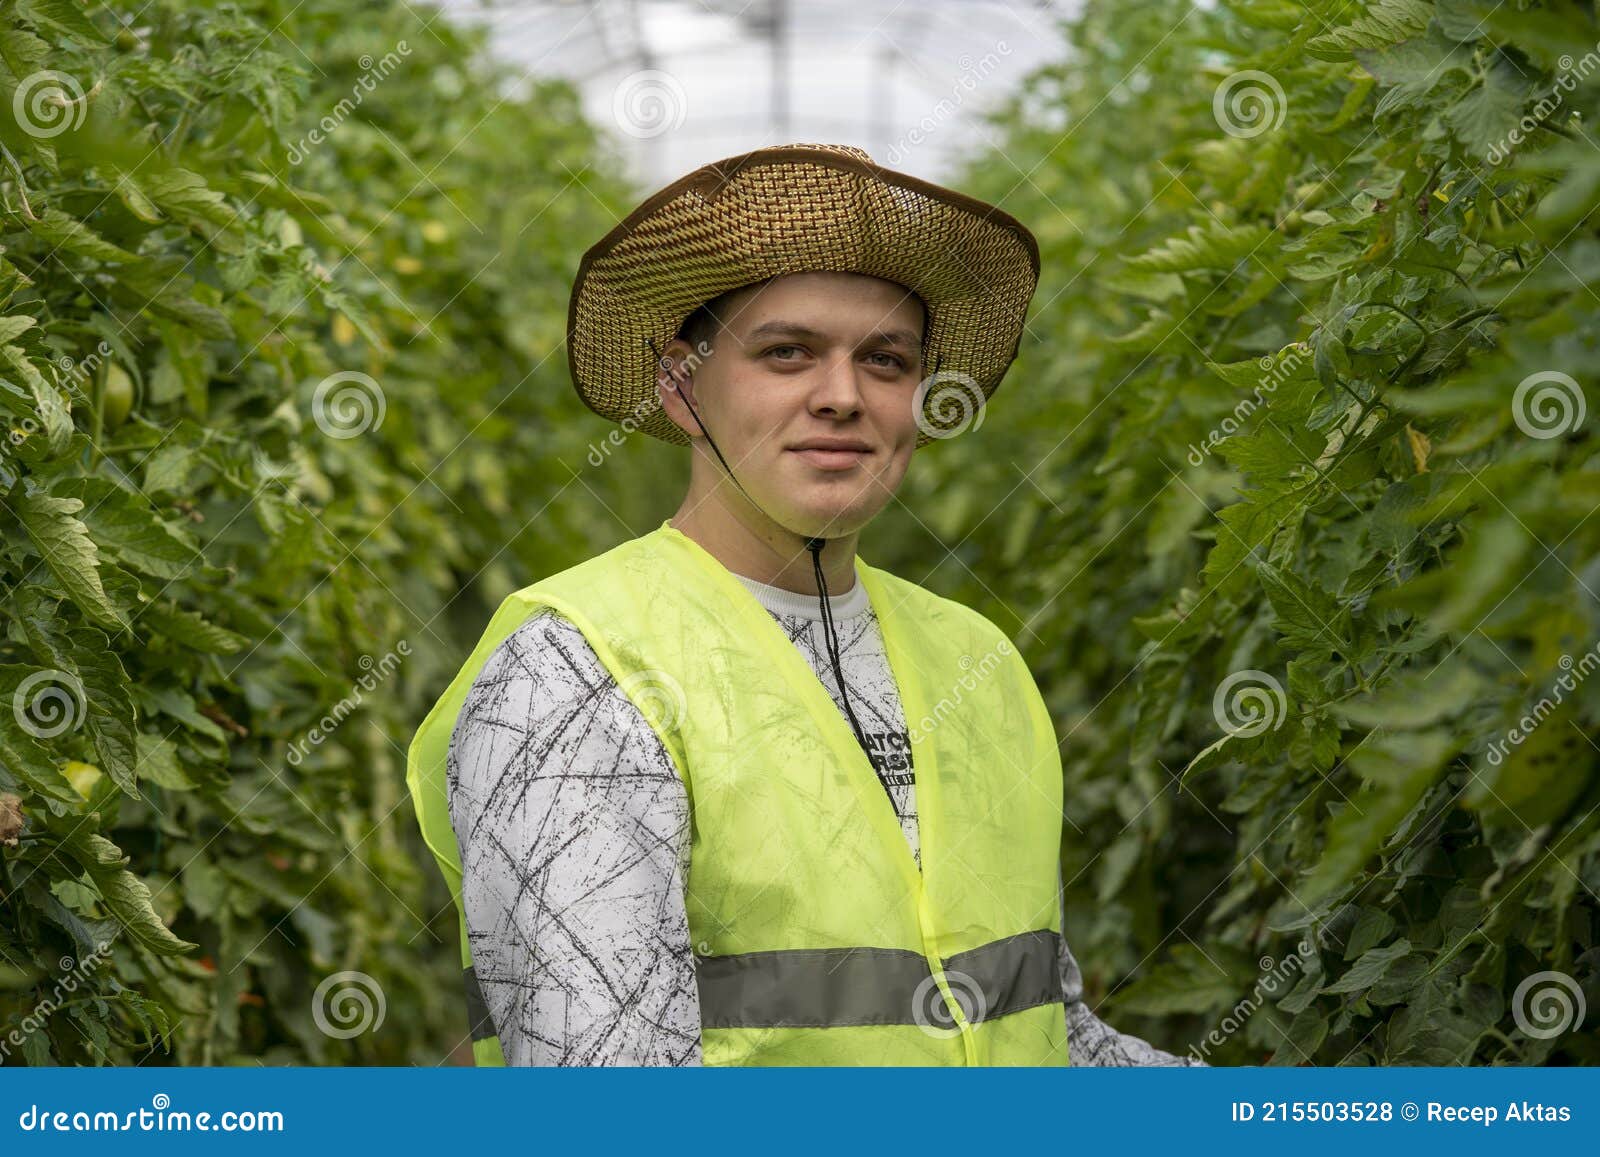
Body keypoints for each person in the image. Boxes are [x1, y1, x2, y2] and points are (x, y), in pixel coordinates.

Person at [407, 142, 1203, 1067]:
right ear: (679, 383)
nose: (842, 396)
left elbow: (1040, 1033)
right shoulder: (575, 673)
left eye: (886, 360)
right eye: (786, 353)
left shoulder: (977, 659)